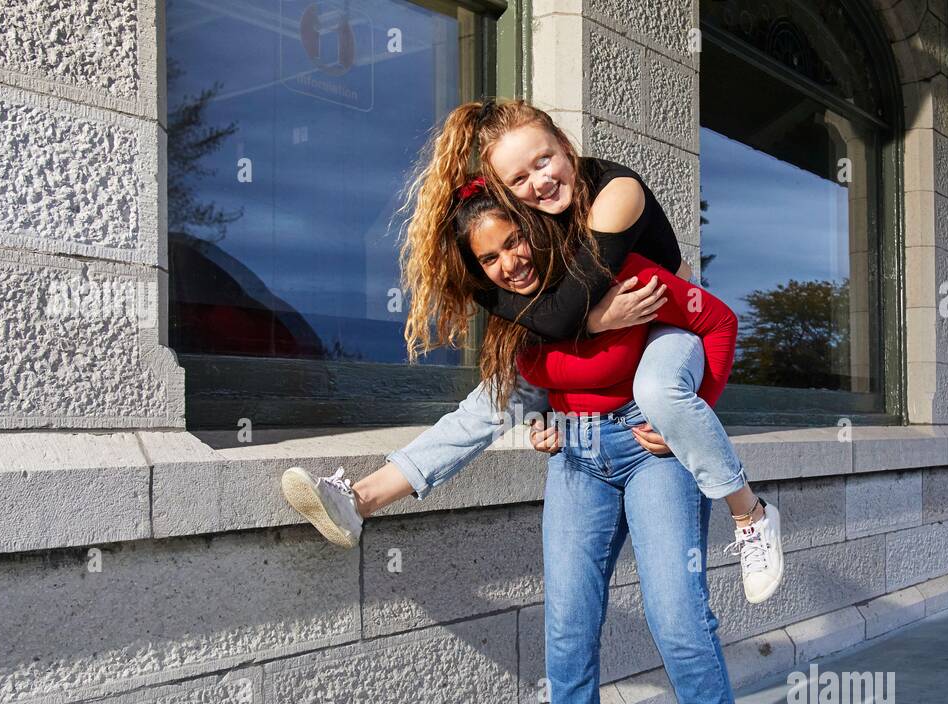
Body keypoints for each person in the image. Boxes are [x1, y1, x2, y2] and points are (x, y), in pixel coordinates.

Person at [281, 98, 784, 602]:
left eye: (543, 161)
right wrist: (562, 413)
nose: (539, 183)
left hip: (660, 324)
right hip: (595, 346)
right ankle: (360, 501)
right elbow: (540, 307)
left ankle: (750, 515)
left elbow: (576, 315)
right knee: (488, 404)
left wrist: (690, 414)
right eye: (519, 180)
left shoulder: (617, 195)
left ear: (565, 145)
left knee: (656, 388)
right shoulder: (538, 228)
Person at [448, 180, 786, 704]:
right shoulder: (518, 317)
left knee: (678, 613)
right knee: (570, 618)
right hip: (576, 456)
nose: (508, 261)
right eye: (489, 259)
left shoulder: (620, 272)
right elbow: (548, 384)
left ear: (534, 228)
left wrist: (691, 415)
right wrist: (543, 419)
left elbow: (715, 324)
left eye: (513, 240)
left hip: (649, 449)